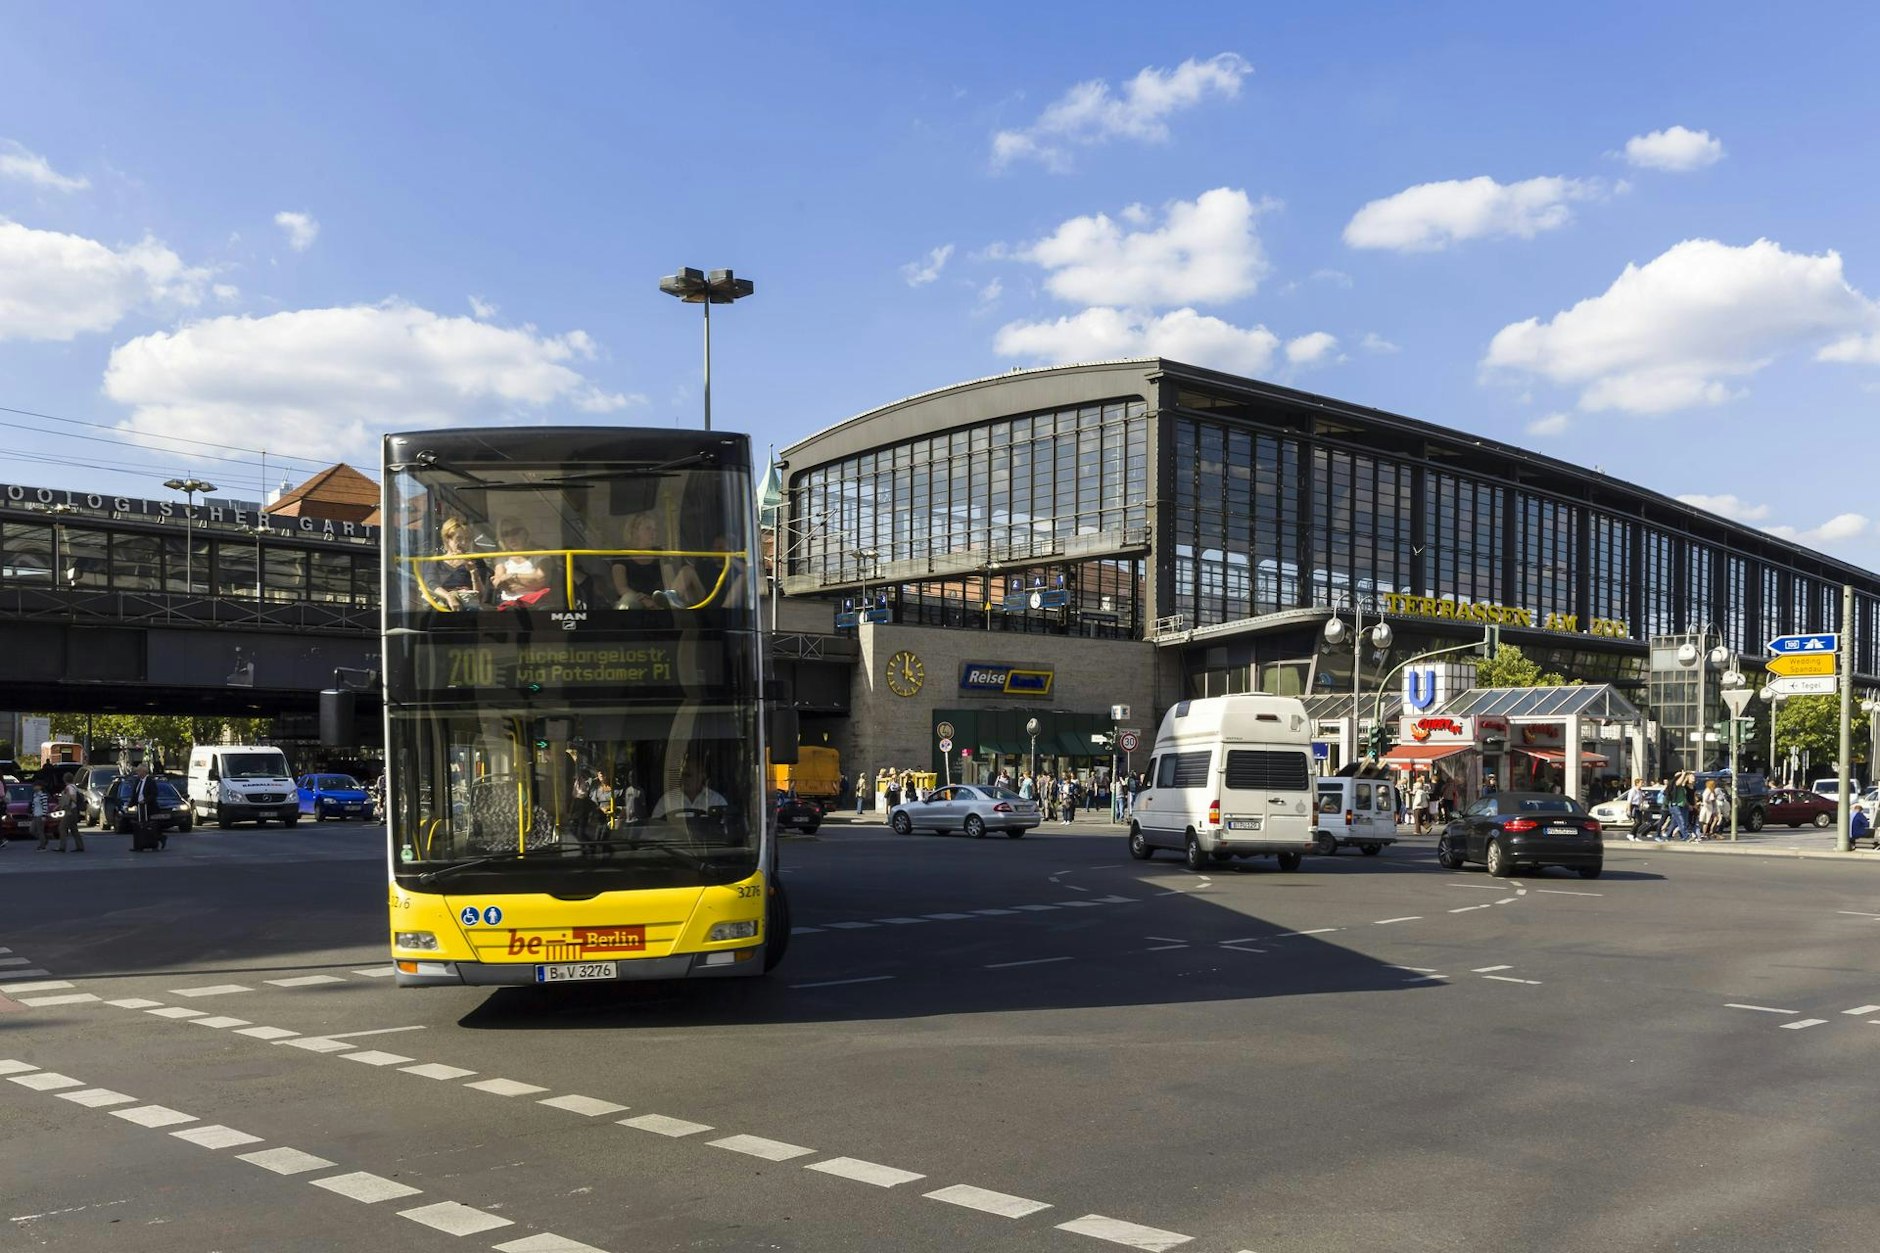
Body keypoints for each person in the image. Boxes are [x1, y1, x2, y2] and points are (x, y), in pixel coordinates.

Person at [613, 512, 705, 609]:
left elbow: (669, 581)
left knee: (687, 570)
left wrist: (659, 600)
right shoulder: (621, 554)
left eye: (655, 530)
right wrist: (644, 600)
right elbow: (621, 587)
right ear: (635, 531)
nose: (653, 533)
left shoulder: (660, 553)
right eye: (648, 529)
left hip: (661, 602)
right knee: (627, 600)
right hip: (635, 601)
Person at [433, 516, 491, 610]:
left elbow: (479, 596)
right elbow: (431, 584)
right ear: (447, 539)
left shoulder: (477, 561)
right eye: (459, 538)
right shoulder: (435, 561)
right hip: (439, 607)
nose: (464, 543)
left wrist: (473, 573)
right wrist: (449, 597)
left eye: (467, 539)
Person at [491, 520, 553, 604]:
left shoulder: (540, 553)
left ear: (524, 533)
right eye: (505, 534)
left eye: (515, 532)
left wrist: (511, 577)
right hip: (508, 604)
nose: (511, 538)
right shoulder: (502, 557)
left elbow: (541, 579)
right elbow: (499, 582)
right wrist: (531, 582)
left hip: (536, 603)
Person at [650, 756, 729, 821]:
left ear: (702, 775)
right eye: (682, 775)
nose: (684, 779)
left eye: (688, 775)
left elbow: (725, 830)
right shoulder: (667, 800)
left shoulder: (716, 801)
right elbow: (655, 831)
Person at [56, 774, 84, 852]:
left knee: (62, 827)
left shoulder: (69, 788)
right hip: (74, 810)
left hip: (70, 810)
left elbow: (73, 798)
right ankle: (80, 846)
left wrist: (68, 794)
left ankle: (62, 846)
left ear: (64, 779)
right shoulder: (75, 787)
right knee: (74, 829)